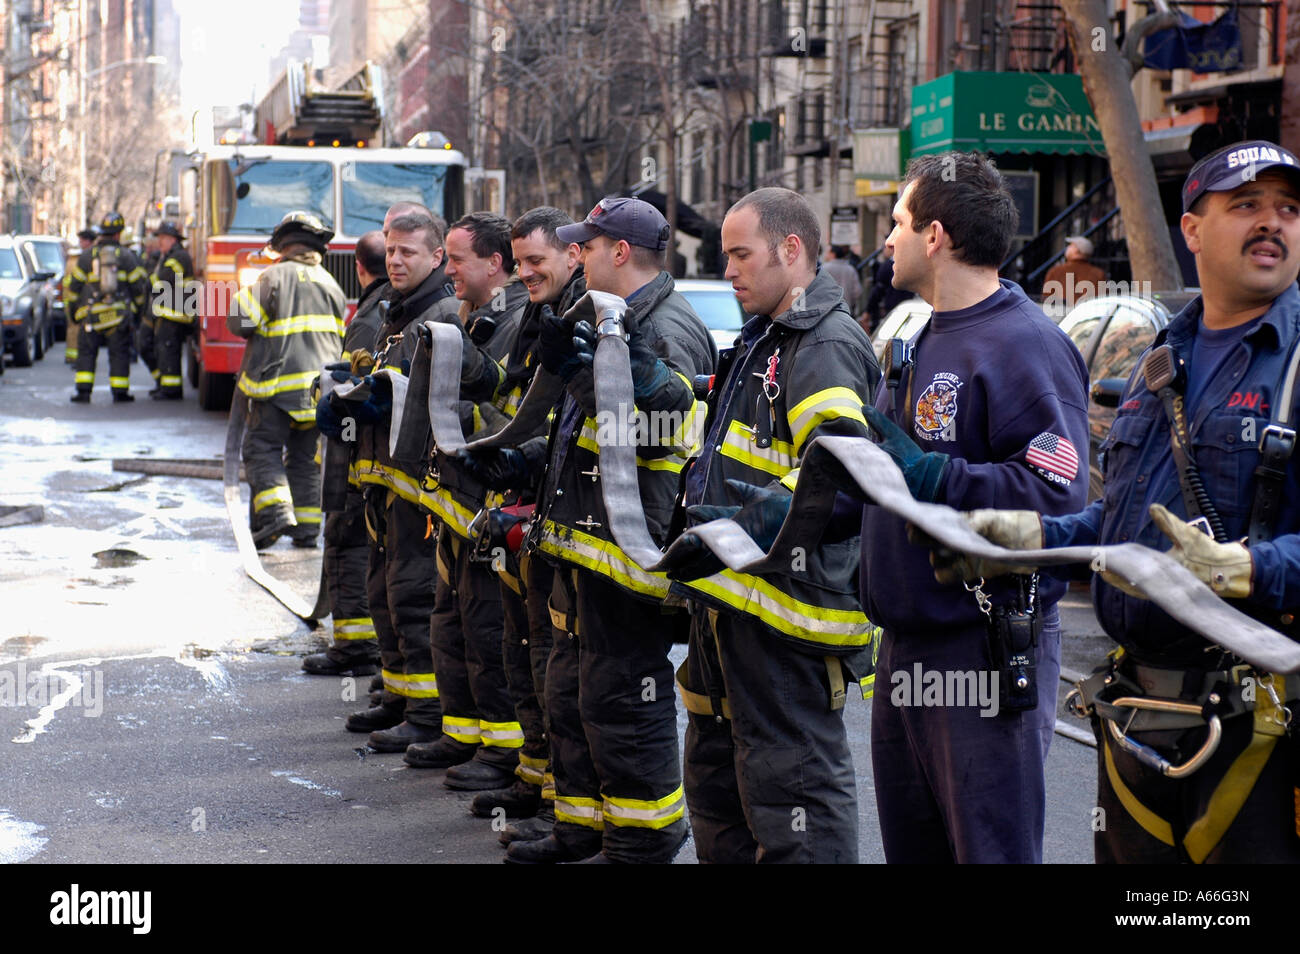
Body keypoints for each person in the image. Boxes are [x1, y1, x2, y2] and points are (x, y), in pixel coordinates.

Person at [949, 140, 1300, 863]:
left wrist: (1250, 567)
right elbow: (1125, 531)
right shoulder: (1158, 362)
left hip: (1261, 735)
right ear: (1193, 230)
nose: (1273, 223)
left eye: (1288, 209)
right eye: (1246, 206)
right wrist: (1035, 539)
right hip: (1137, 721)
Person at [859, 151, 1090, 863]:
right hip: (903, 652)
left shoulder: (1026, 343)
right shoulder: (915, 338)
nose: (887, 240)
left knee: (989, 851)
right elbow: (884, 483)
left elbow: (1057, 497)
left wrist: (937, 475)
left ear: (935, 235)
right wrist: (775, 518)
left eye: (899, 222)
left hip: (981, 649)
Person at [471, 196, 715, 863]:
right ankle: (582, 825)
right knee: (574, 691)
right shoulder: (617, 317)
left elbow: (660, 433)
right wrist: (519, 459)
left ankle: (643, 839)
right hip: (583, 544)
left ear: (621, 252)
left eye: (588, 245)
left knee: (622, 701)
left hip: (626, 554)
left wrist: (581, 373)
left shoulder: (668, 327)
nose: (576, 255)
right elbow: (578, 431)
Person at [660, 187, 881, 863]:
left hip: (789, 623)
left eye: (740, 254)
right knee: (723, 789)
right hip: (733, 612)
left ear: (792, 250)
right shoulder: (764, 338)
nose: (728, 270)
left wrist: (722, 532)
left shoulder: (824, 345)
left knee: (795, 797)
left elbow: (835, 476)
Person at [461, 207, 587, 845]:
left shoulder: (584, 318)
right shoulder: (544, 317)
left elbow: (585, 430)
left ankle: (565, 806)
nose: (525, 272)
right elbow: (523, 405)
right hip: (529, 507)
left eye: (538, 260)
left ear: (574, 256)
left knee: (555, 667)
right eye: (521, 261)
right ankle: (535, 782)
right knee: (526, 654)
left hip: (560, 518)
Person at [401, 212, 530, 792]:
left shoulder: (518, 321)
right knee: (451, 618)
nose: (447, 270)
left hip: (490, 505)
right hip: (456, 502)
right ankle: (462, 731)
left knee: (487, 627)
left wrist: (455, 420)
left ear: (493, 264)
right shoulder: (467, 314)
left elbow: (514, 415)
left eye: (455, 260)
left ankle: (501, 749)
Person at [327, 205, 459, 752]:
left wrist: (377, 395)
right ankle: (401, 698)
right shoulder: (396, 309)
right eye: (390, 246)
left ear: (437, 256)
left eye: (408, 250)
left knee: (412, 594)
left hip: (418, 490)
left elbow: (438, 399)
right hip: (384, 485)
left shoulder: (443, 314)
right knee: (382, 591)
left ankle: (427, 715)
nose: (395, 258)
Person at [228, 211, 345, 549]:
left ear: (282, 246)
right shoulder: (331, 285)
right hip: (319, 395)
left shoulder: (272, 277)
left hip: (276, 390)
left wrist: (243, 293)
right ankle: (307, 529)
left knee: (261, 450)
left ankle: (276, 513)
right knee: (305, 460)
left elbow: (238, 322)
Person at [302, 229, 389, 678]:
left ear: (358, 267)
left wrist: (329, 390)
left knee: (346, 540)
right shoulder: (392, 307)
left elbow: (361, 386)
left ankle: (354, 646)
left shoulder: (373, 315)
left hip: (358, 453)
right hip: (373, 452)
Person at [66, 212, 148, 403]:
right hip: (118, 317)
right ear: (118, 235)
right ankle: (120, 393)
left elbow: (74, 287)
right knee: (119, 354)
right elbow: (138, 288)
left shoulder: (87, 256)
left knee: (86, 353)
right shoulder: (127, 257)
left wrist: (73, 311)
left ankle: (83, 392)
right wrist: (138, 312)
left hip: (91, 316)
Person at [142, 221, 195, 400]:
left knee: (169, 350)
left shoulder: (178, 257)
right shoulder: (167, 257)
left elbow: (161, 282)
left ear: (173, 239)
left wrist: (150, 279)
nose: (160, 242)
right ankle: (165, 385)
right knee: (163, 349)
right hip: (167, 312)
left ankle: (171, 389)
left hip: (176, 313)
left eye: (163, 239)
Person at [1040, 235, 1106, 309]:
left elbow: (1046, 299)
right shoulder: (1098, 273)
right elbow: (1102, 301)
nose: (1067, 248)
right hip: (1087, 315)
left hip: (1060, 315)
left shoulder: (1056, 271)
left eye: (1071, 246)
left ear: (1076, 251)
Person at [63, 226, 98, 365]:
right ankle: (75, 356)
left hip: (79, 300)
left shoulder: (83, 259)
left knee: (78, 329)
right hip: (75, 300)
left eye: (82, 240)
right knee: (75, 329)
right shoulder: (78, 260)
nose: (80, 243)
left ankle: (77, 356)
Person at [862, 250, 912, 334]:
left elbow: (878, 291)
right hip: (908, 306)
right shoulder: (910, 264)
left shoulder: (887, 266)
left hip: (893, 308)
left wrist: (868, 310)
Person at [822, 243, 862, 315]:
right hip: (847, 310)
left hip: (827, 311)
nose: (826, 255)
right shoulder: (850, 269)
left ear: (833, 254)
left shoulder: (824, 268)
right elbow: (857, 291)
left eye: (828, 252)